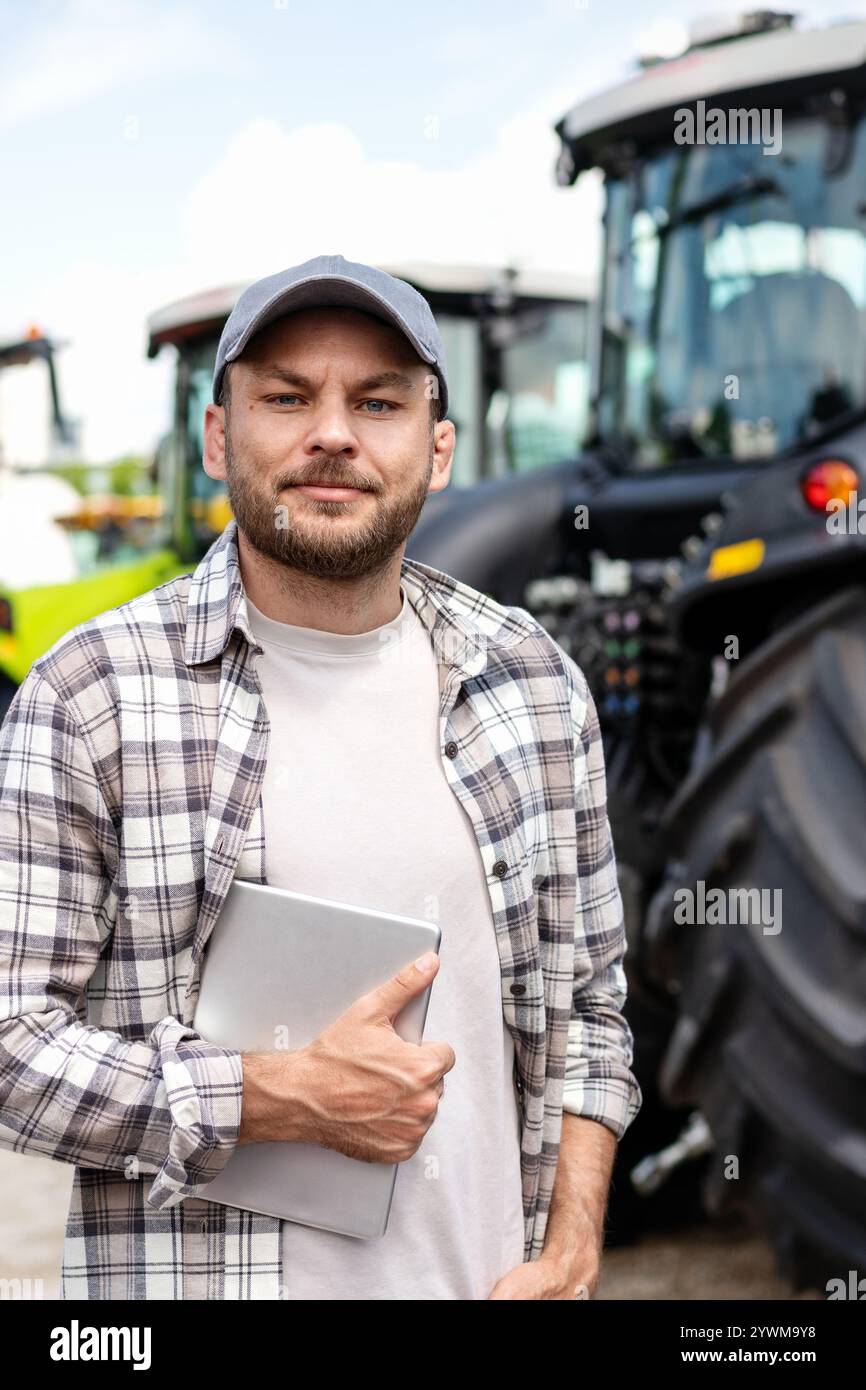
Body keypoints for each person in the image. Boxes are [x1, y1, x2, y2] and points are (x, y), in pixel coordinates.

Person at [0, 254, 641, 1300]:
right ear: (219, 438)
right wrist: (272, 1096)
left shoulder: (530, 683)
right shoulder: (92, 696)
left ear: (437, 451)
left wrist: (572, 1241)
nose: (332, 433)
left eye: (377, 402)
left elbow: (586, 1012)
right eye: (287, 397)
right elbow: (9, 1043)